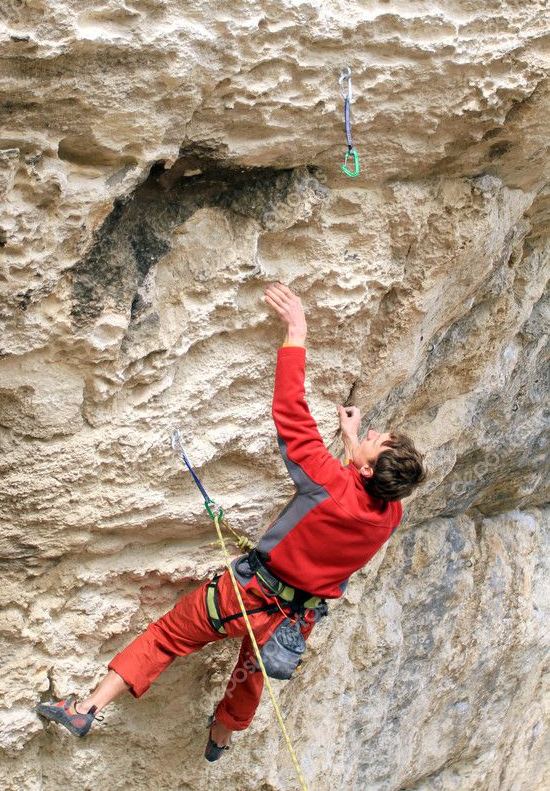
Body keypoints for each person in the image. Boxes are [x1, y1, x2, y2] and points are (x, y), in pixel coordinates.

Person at [36, 282, 427, 759]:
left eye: (377, 440)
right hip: (290, 622)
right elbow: (351, 494)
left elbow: (291, 414)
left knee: (167, 637)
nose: (376, 431)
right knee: (249, 677)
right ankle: (220, 739)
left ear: (367, 469)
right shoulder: (390, 513)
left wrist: (297, 330)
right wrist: (351, 443)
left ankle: (88, 708)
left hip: (243, 596)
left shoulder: (330, 480)